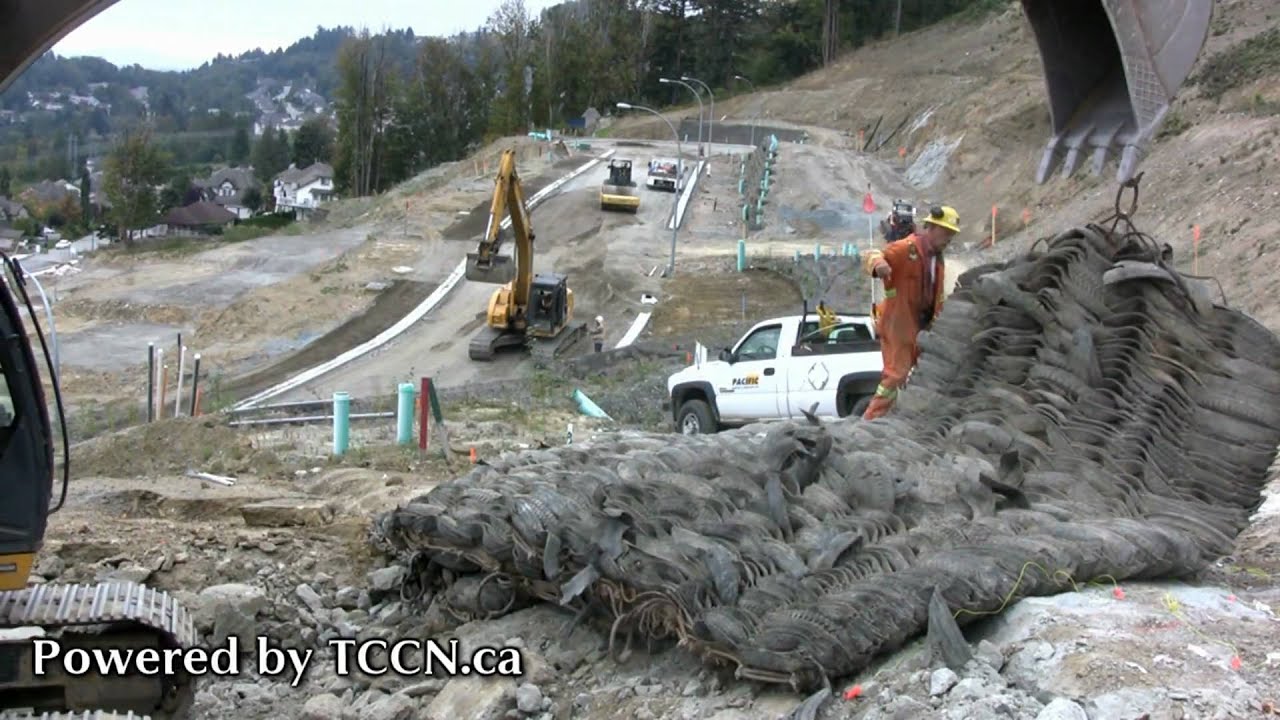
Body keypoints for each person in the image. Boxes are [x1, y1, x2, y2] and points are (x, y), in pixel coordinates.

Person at [862, 205, 960, 420]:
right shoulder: (908, 248)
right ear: (931, 227)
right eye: (946, 233)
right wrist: (879, 265)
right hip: (898, 324)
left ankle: (905, 419)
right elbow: (872, 254)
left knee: (923, 372)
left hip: (920, 325)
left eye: (952, 235)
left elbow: (936, 296)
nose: (949, 239)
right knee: (896, 375)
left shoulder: (938, 260)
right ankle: (870, 420)